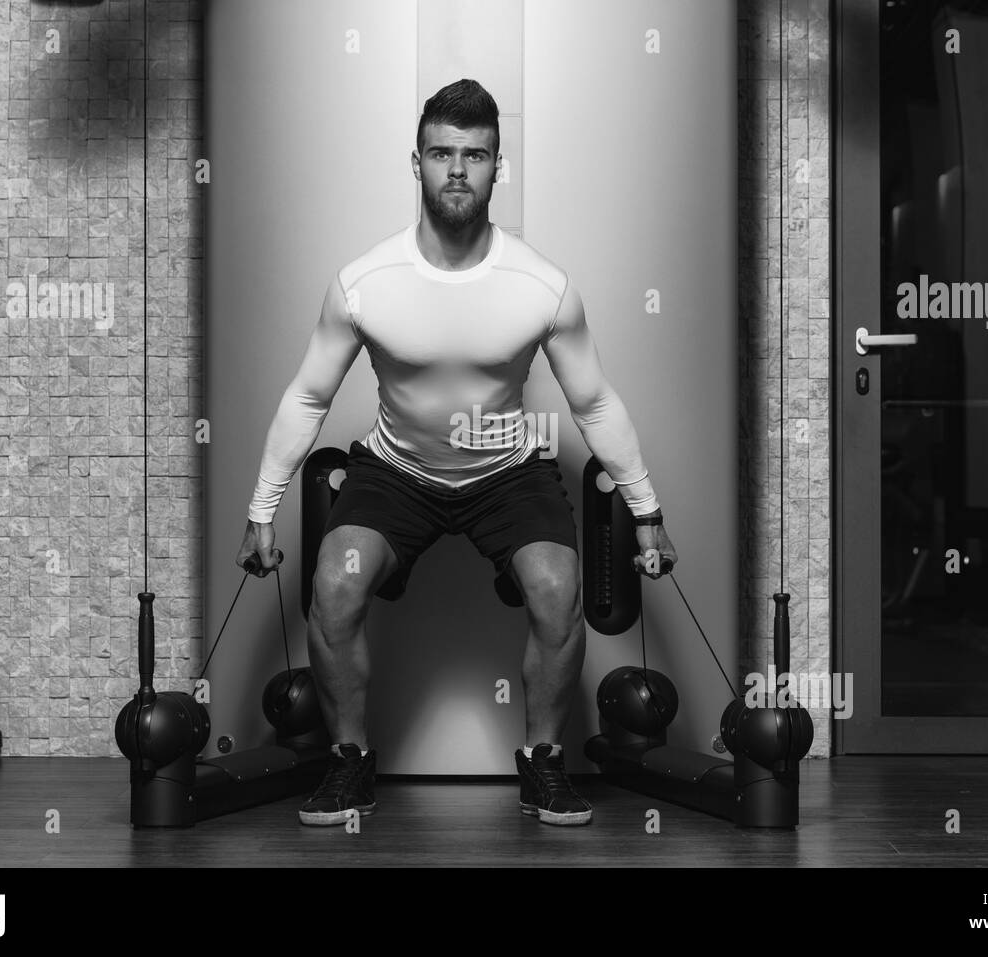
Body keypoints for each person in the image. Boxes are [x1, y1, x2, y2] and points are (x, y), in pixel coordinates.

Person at [235, 78, 677, 827]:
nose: (458, 170)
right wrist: (260, 509)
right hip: (396, 469)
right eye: (443, 152)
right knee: (336, 586)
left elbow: (593, 401)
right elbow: (309, 397)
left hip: (507, 466)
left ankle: (542, 763)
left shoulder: (540, 286)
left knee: (557, 585)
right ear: (416, 163)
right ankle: (350, 762)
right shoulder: (364, 283)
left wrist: (647, 513)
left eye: (476, 154)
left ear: (498, 166)